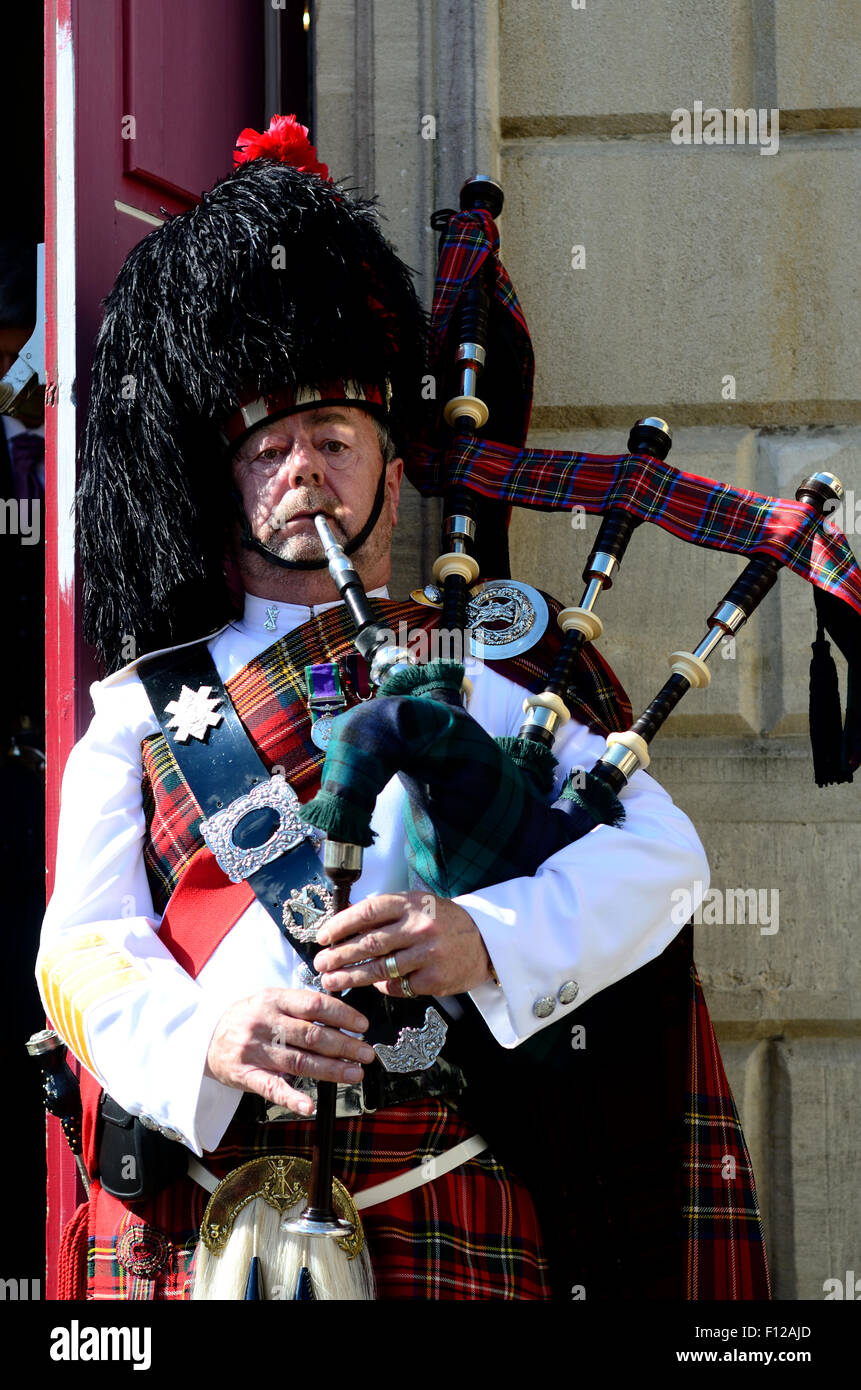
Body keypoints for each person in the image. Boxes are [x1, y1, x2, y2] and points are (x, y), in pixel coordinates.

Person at [37, 118, 761, 1301]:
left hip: (444, 1199)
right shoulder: (140, 709)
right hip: (204, 1225)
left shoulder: (467, 672)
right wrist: (201, 1043)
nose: (301, 471)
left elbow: (665, 856)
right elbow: (78, 949)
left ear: (387, 466)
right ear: (223, 477)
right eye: (269, 445)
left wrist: (489, 938)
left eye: (333, 438)